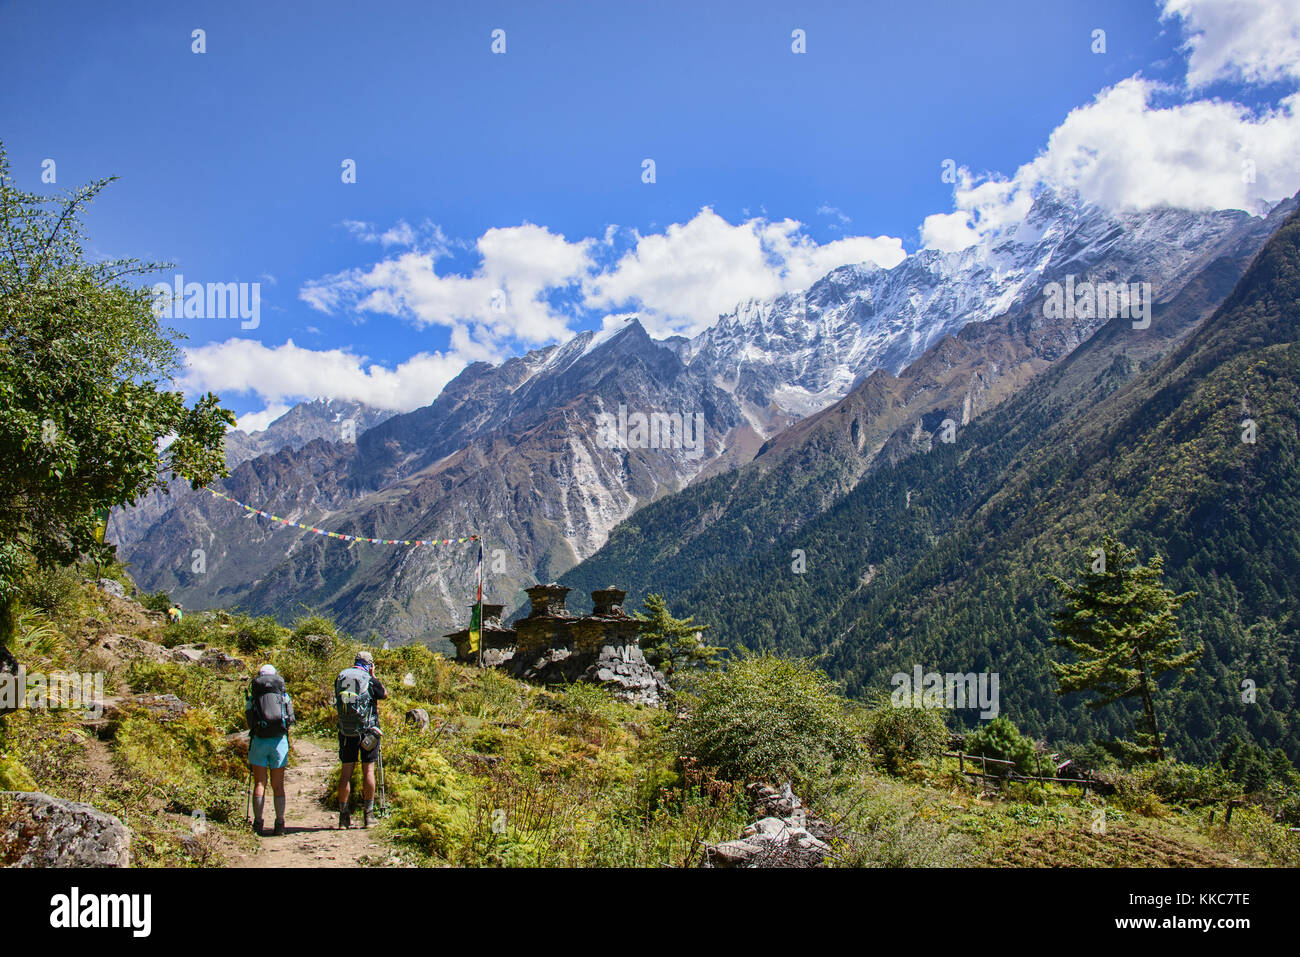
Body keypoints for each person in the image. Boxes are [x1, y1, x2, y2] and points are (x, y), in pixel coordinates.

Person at [334, 650, 387, 829]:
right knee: (368, 771)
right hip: (367, 732)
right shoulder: (369, 679)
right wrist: (374, 675)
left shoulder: (342, 677)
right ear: (370, 664)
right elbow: (383, 694)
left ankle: (343, 816)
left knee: (346, 772)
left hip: (346, 732)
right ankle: (368, 815)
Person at [245, 664, 294, 836]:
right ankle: (280, 824)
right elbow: (291, 718)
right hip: (279, 742)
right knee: (278, 785)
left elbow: (249, 719)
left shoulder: (253, 697)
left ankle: (258, 823)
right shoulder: (283, 695)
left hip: (259, 741)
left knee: (260, 783)